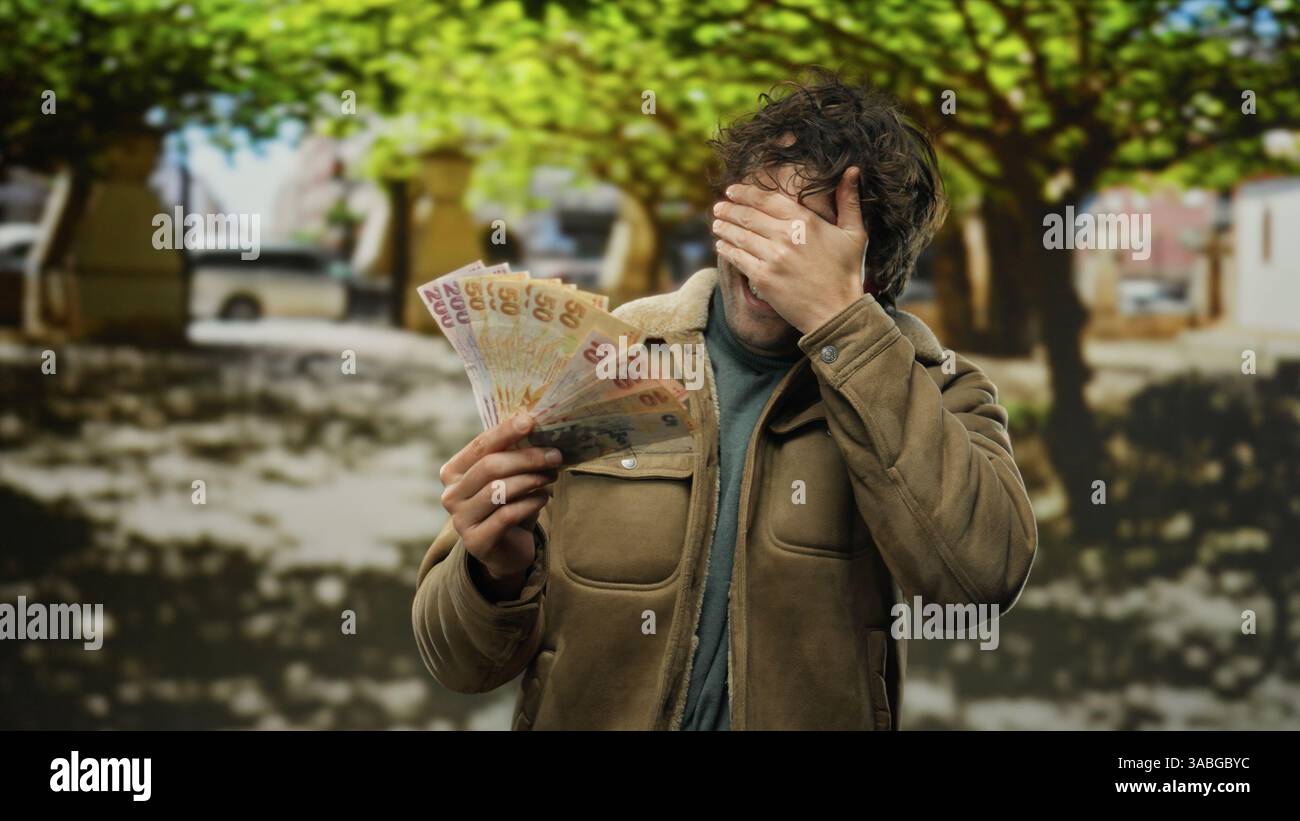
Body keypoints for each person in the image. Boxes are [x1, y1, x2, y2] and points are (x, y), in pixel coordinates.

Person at [413, 71, 1037, 730]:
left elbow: (982, 580)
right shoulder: (599, 358)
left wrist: (842, 322)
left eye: (811, 235)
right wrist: (494, 573)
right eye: (761, 218)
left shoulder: (934, 387)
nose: (773, 257)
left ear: (873, 271)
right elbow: (457, 662)